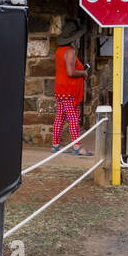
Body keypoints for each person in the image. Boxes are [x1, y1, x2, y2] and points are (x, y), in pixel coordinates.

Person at [52, 18, 91, 155]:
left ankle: (55, 144)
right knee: (74, 118)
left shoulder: (59, 51)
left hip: (60, 88)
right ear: (74, 39)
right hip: (69, 90)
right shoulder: (70, 52)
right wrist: (83, 72)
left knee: (60, 117)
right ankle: (76, 146)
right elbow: (70, 72)